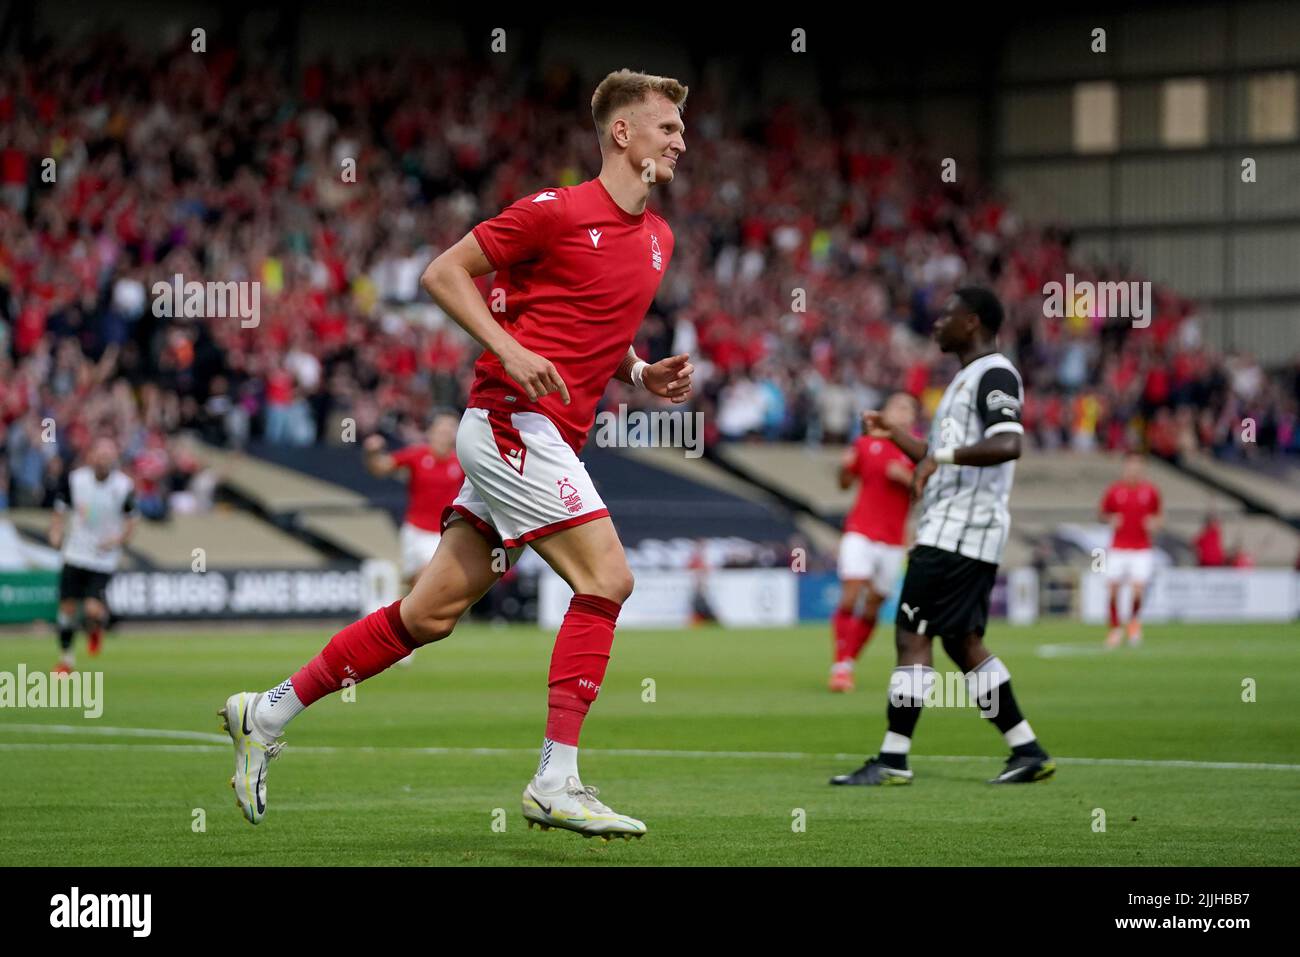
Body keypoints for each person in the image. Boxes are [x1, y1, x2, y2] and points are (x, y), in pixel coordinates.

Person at [219, 69, 693, 839]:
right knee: (608, 577)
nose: (679, 139)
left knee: (428, 614)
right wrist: (508, 349)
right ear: (621, 134)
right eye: (666, 127)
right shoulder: (555, 209)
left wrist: (640, 372)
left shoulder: (658, 239)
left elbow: (591, 326)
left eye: (679, 128)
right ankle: (555, 778)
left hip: (545, 436)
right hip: (512, 423)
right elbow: (444, 273)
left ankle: (266, 711)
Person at [830, 287, 1055, 786]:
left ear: (972, 322)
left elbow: (1009, 442)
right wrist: (896, 436)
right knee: (961, 640)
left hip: (959, 529)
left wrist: (940, 457)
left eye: (948, 315)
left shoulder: (995, 373)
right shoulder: (965, 379)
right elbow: (939, 454)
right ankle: (1027, 748)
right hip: (961, 528)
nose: (937, 323)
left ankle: (892, 759)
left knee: (912, 636)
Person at [829, 391, 916, 692]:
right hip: (860, 531)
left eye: (908, 408)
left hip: (893, 540)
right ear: (886, 413)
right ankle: (840, 666)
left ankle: (848, 661)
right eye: (898, 406)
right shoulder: (866, 444)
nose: (904, 413)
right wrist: (843, 467)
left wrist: (907, 478)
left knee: (872, 607)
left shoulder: (917, 452)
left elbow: (928, 492)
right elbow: (844, 484)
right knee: (851, 597)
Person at [48, 438, 137, 672]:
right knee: (67, 608)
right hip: (75, 553)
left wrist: (117, 540)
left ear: (114, 459)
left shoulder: (123, 486)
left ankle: (96, 627)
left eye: (108, 455)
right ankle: (66, 660)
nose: (103, 459)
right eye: (100, 454)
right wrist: (56, 532)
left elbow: (131, 522)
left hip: (103, 558)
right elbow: (60, 510)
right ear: (91, 456)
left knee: (91, 609)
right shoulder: (76, 480)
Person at [364, 411, 464, 588]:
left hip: (445, 533)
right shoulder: (417, 455)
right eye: (442, 429)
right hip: (416, 531)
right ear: (431, 432)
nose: (446, 434)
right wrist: (372, 452)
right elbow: (380, 468)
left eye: (450, 430)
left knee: (432, 579)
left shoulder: (461, 462)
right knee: (418, 584)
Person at [1099, 452, 1162, 648]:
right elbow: (1102, 513)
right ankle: (1115, 628)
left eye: (1138, 466)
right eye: (1131, 466)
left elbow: (1159, 516)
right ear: (1125, 468)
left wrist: (1154, 524)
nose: (1134, 470)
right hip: (1118, 547)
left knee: (1137, 591)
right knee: (1112, 589)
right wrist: (1110, 519)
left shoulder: (1150, 491)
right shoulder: (1115, 490)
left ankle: (1133, 622)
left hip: (1141, 548)